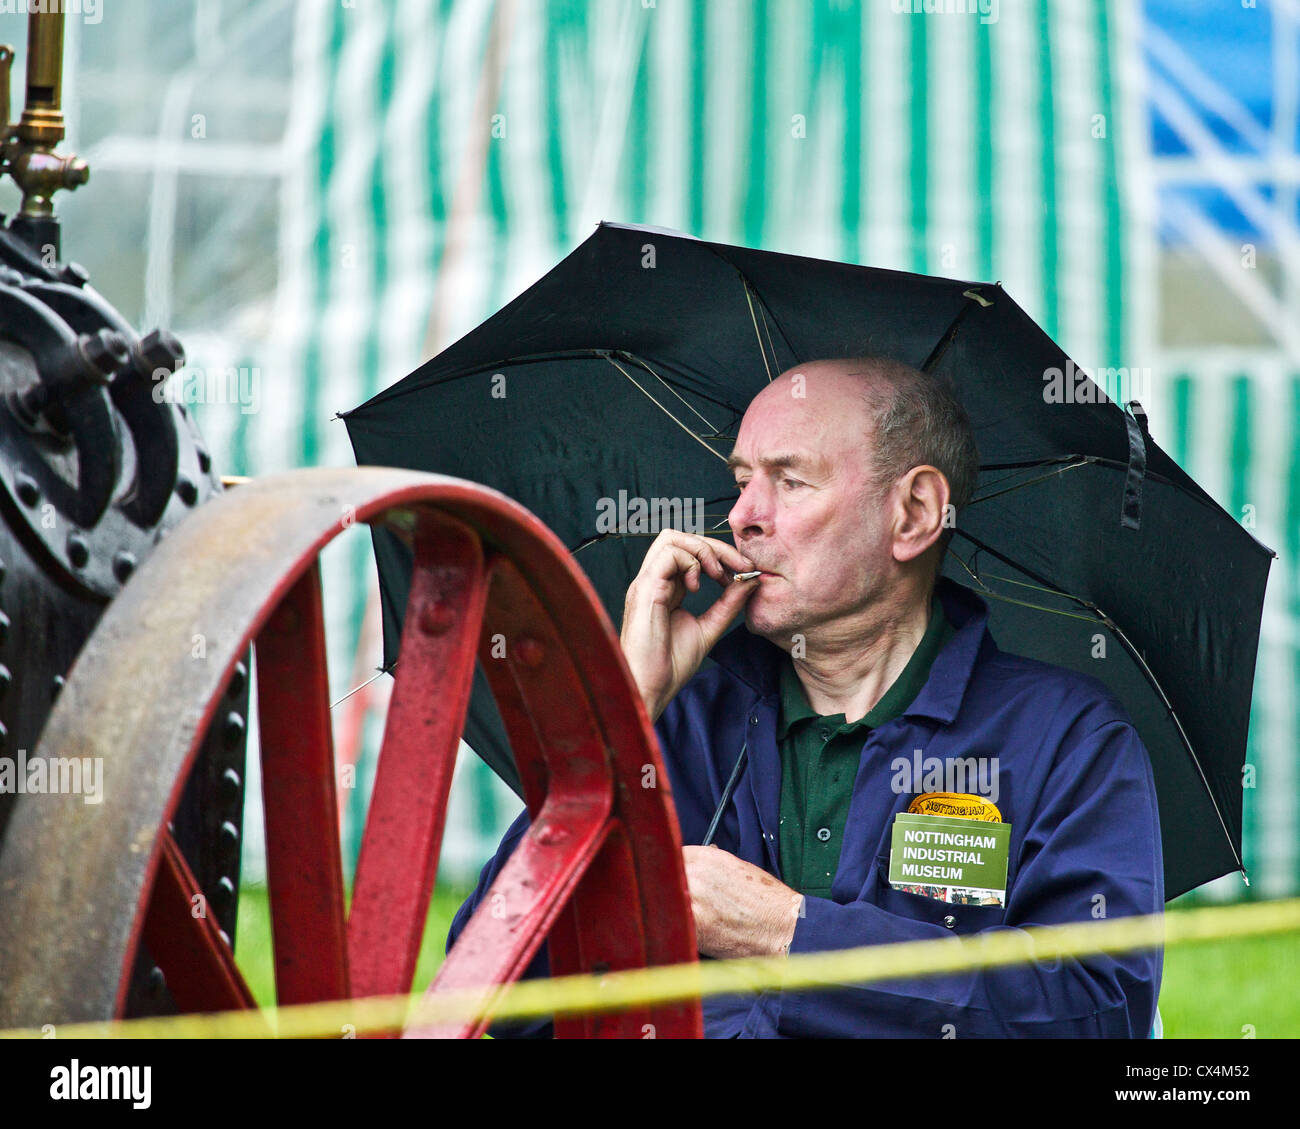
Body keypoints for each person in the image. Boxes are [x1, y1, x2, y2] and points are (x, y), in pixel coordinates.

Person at [448, 356, 1164, 1037]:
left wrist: (784, 931)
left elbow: (1094, 1013)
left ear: (914, 513)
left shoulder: (1065, 738)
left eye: (789, 482)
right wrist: (621, 713)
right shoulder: (674, 719)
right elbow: (495, 992)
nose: (742, 516)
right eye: (740, 482)